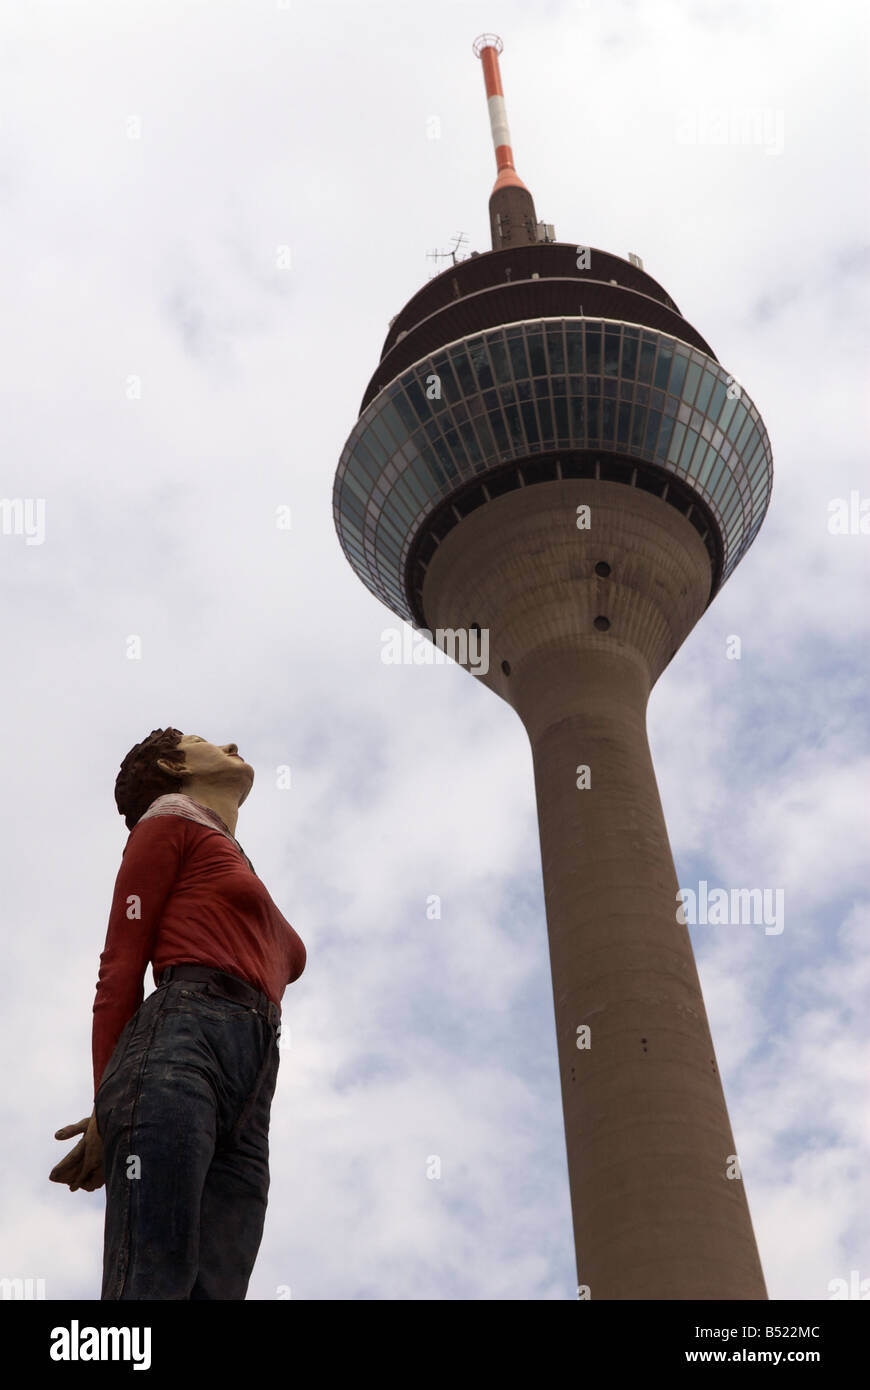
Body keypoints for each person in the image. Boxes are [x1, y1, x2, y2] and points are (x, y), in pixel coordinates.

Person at [49, 727, 306, 1300]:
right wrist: (106, 1105)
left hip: (256, 1072)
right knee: (151, 1275)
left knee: (218, 1287)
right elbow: (118, 969)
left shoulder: (228, 856)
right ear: (171, 765)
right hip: (182, 1040)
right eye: (203, 740)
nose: (233, 743)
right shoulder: (166, 823)